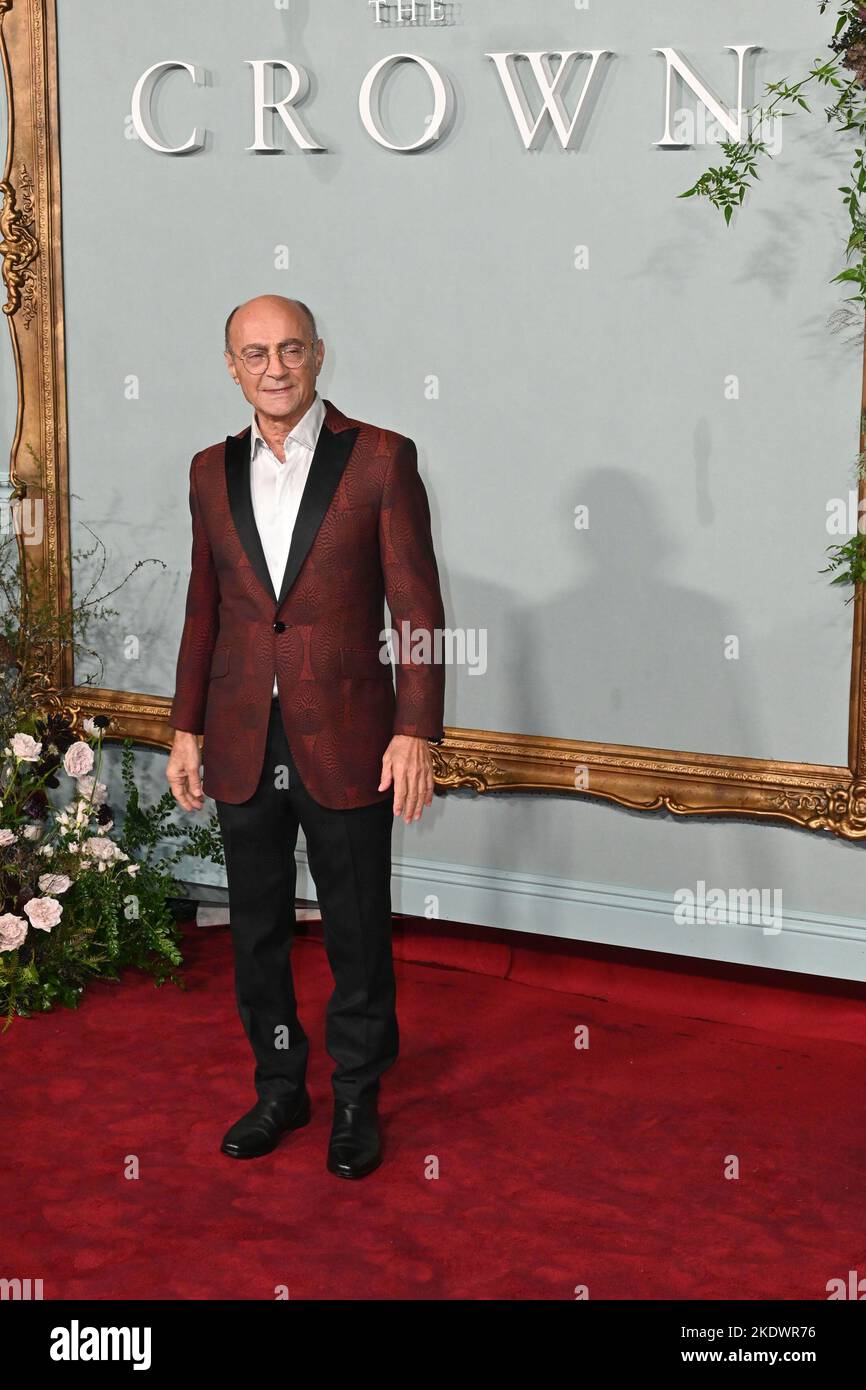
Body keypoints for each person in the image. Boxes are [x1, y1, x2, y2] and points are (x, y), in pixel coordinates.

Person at [166, 294, 446, 1178]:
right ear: (231, 365)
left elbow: (419, 611)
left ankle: (358, 1097)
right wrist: (184, 729)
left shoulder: (379, 458)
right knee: (255, 926)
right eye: (255, 354)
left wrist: (417, 731)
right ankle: (279, 1086)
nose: (274, 368)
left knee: (356, 926)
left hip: (351, 735)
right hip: (243, 735)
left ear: (319, 354)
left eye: (290, 350)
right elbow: (203, 608)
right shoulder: (209, 470)